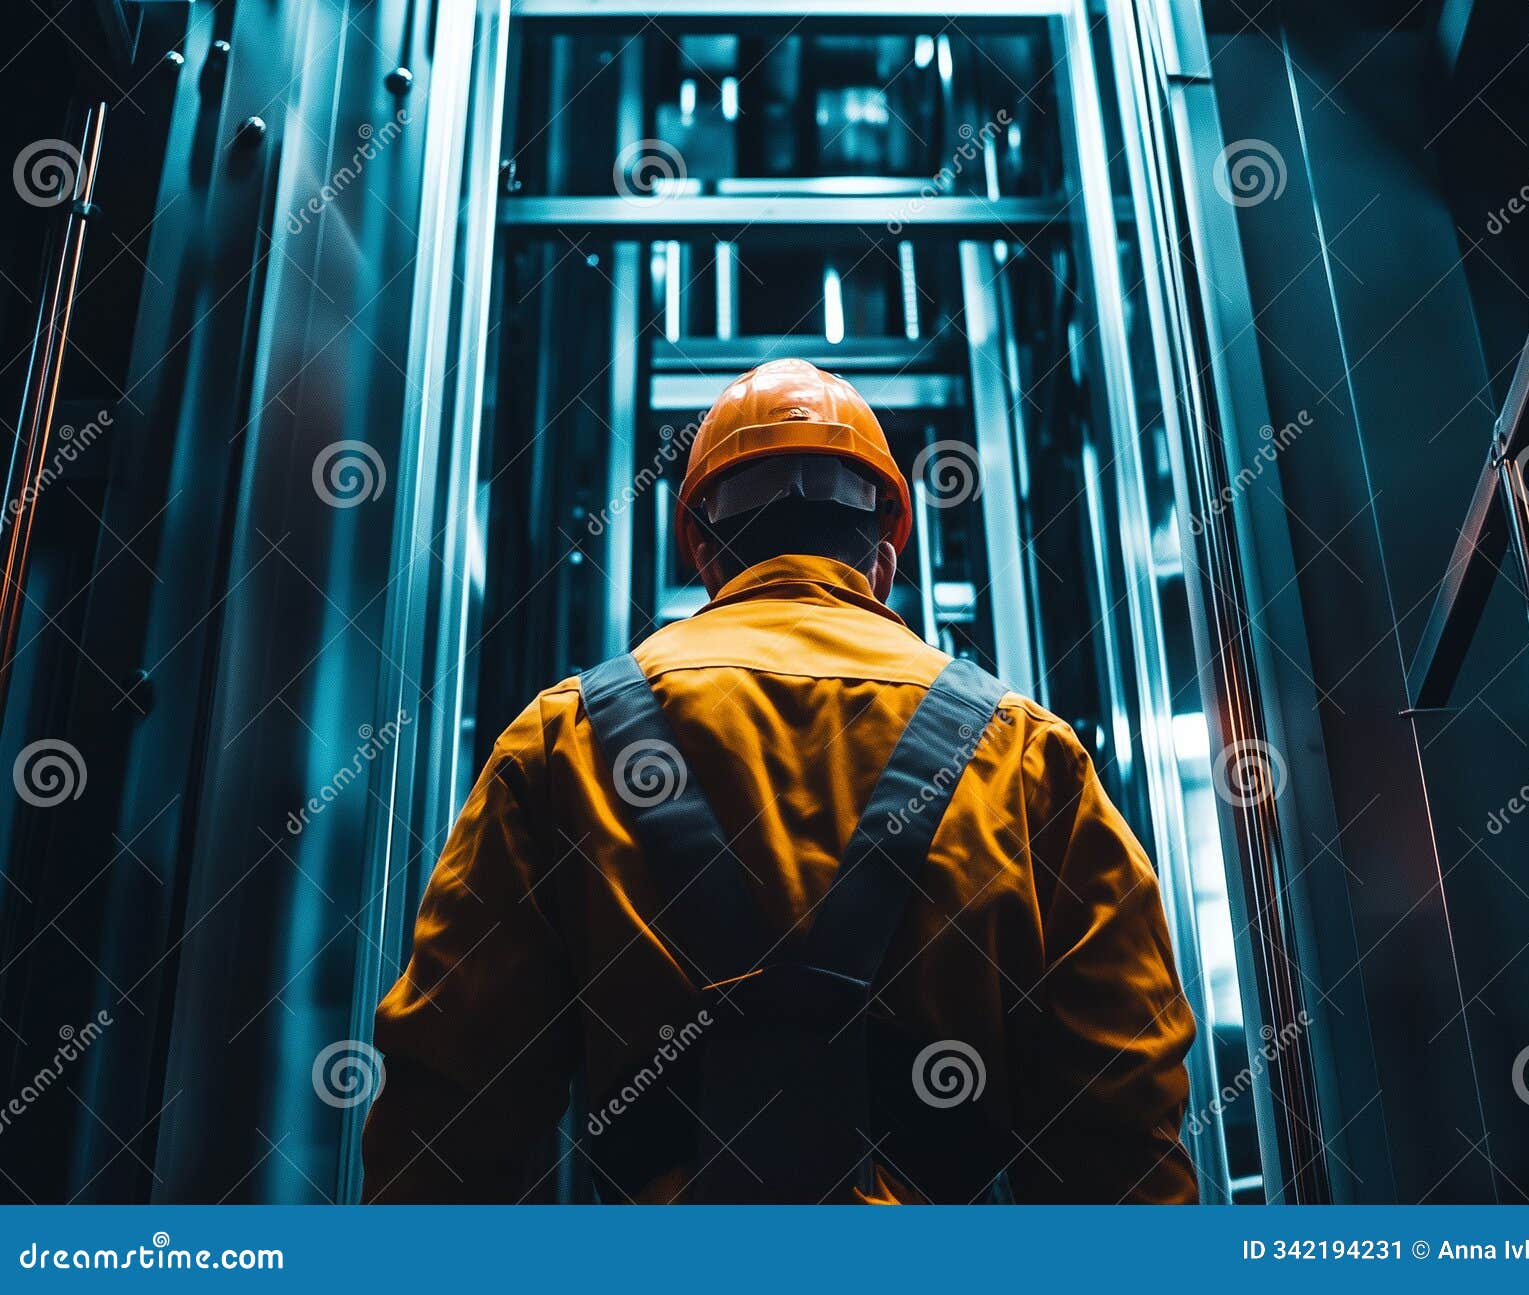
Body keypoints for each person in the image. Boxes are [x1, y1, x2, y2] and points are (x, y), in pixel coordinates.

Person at [362, 358, 1197, 1204]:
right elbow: (1126, 1121)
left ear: (702, 549)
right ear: (885, 553)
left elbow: (442, 1115)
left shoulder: (560, 741)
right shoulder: (1028, 755)